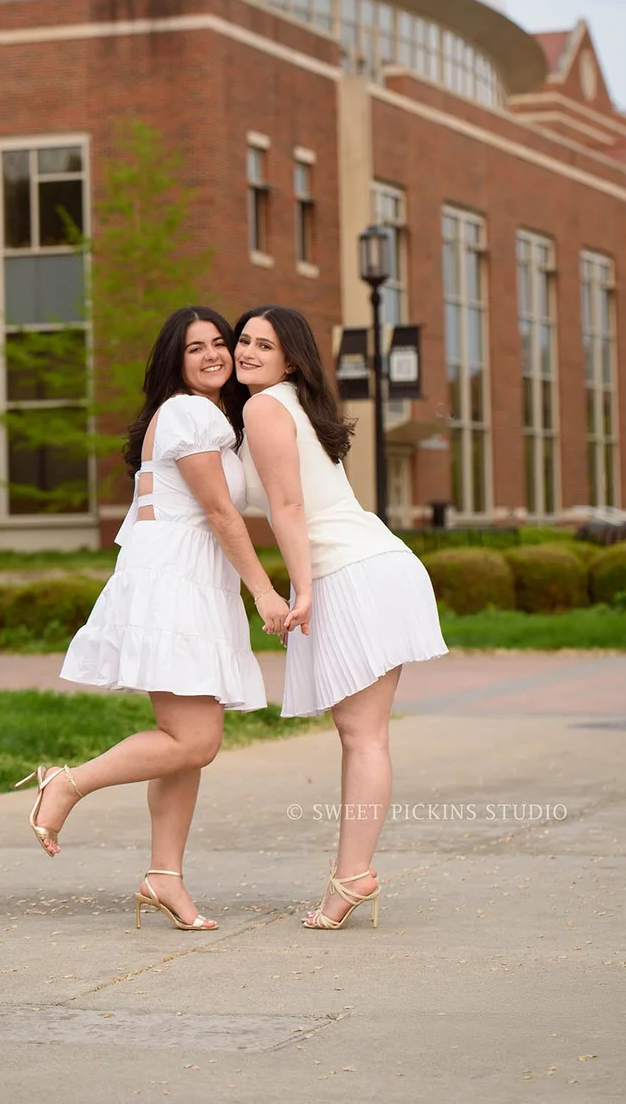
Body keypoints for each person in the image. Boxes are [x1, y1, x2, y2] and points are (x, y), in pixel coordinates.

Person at [16, 306, 293, 932]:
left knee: (184, 747)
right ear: (175, 359)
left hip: (179, 579)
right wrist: (265, 593)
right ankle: (67, 783)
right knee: (195, 741)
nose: (213, 355)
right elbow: (223, 514)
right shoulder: (190, 413)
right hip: (178, 586)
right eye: (195, 348)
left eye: (220, 343)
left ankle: (163, 877)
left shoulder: (193, 416)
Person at [233, 305, 448, 931]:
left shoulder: (265, 407)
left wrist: (300, 588)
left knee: (362, 737)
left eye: (262, 345)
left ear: (290, 359)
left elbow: (289, 506)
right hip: (377, 563)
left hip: (349, 574)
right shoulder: (296, 406)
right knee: (368, 736)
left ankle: (353, 878)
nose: (247, 351)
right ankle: (352, 876)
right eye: (243, 339)